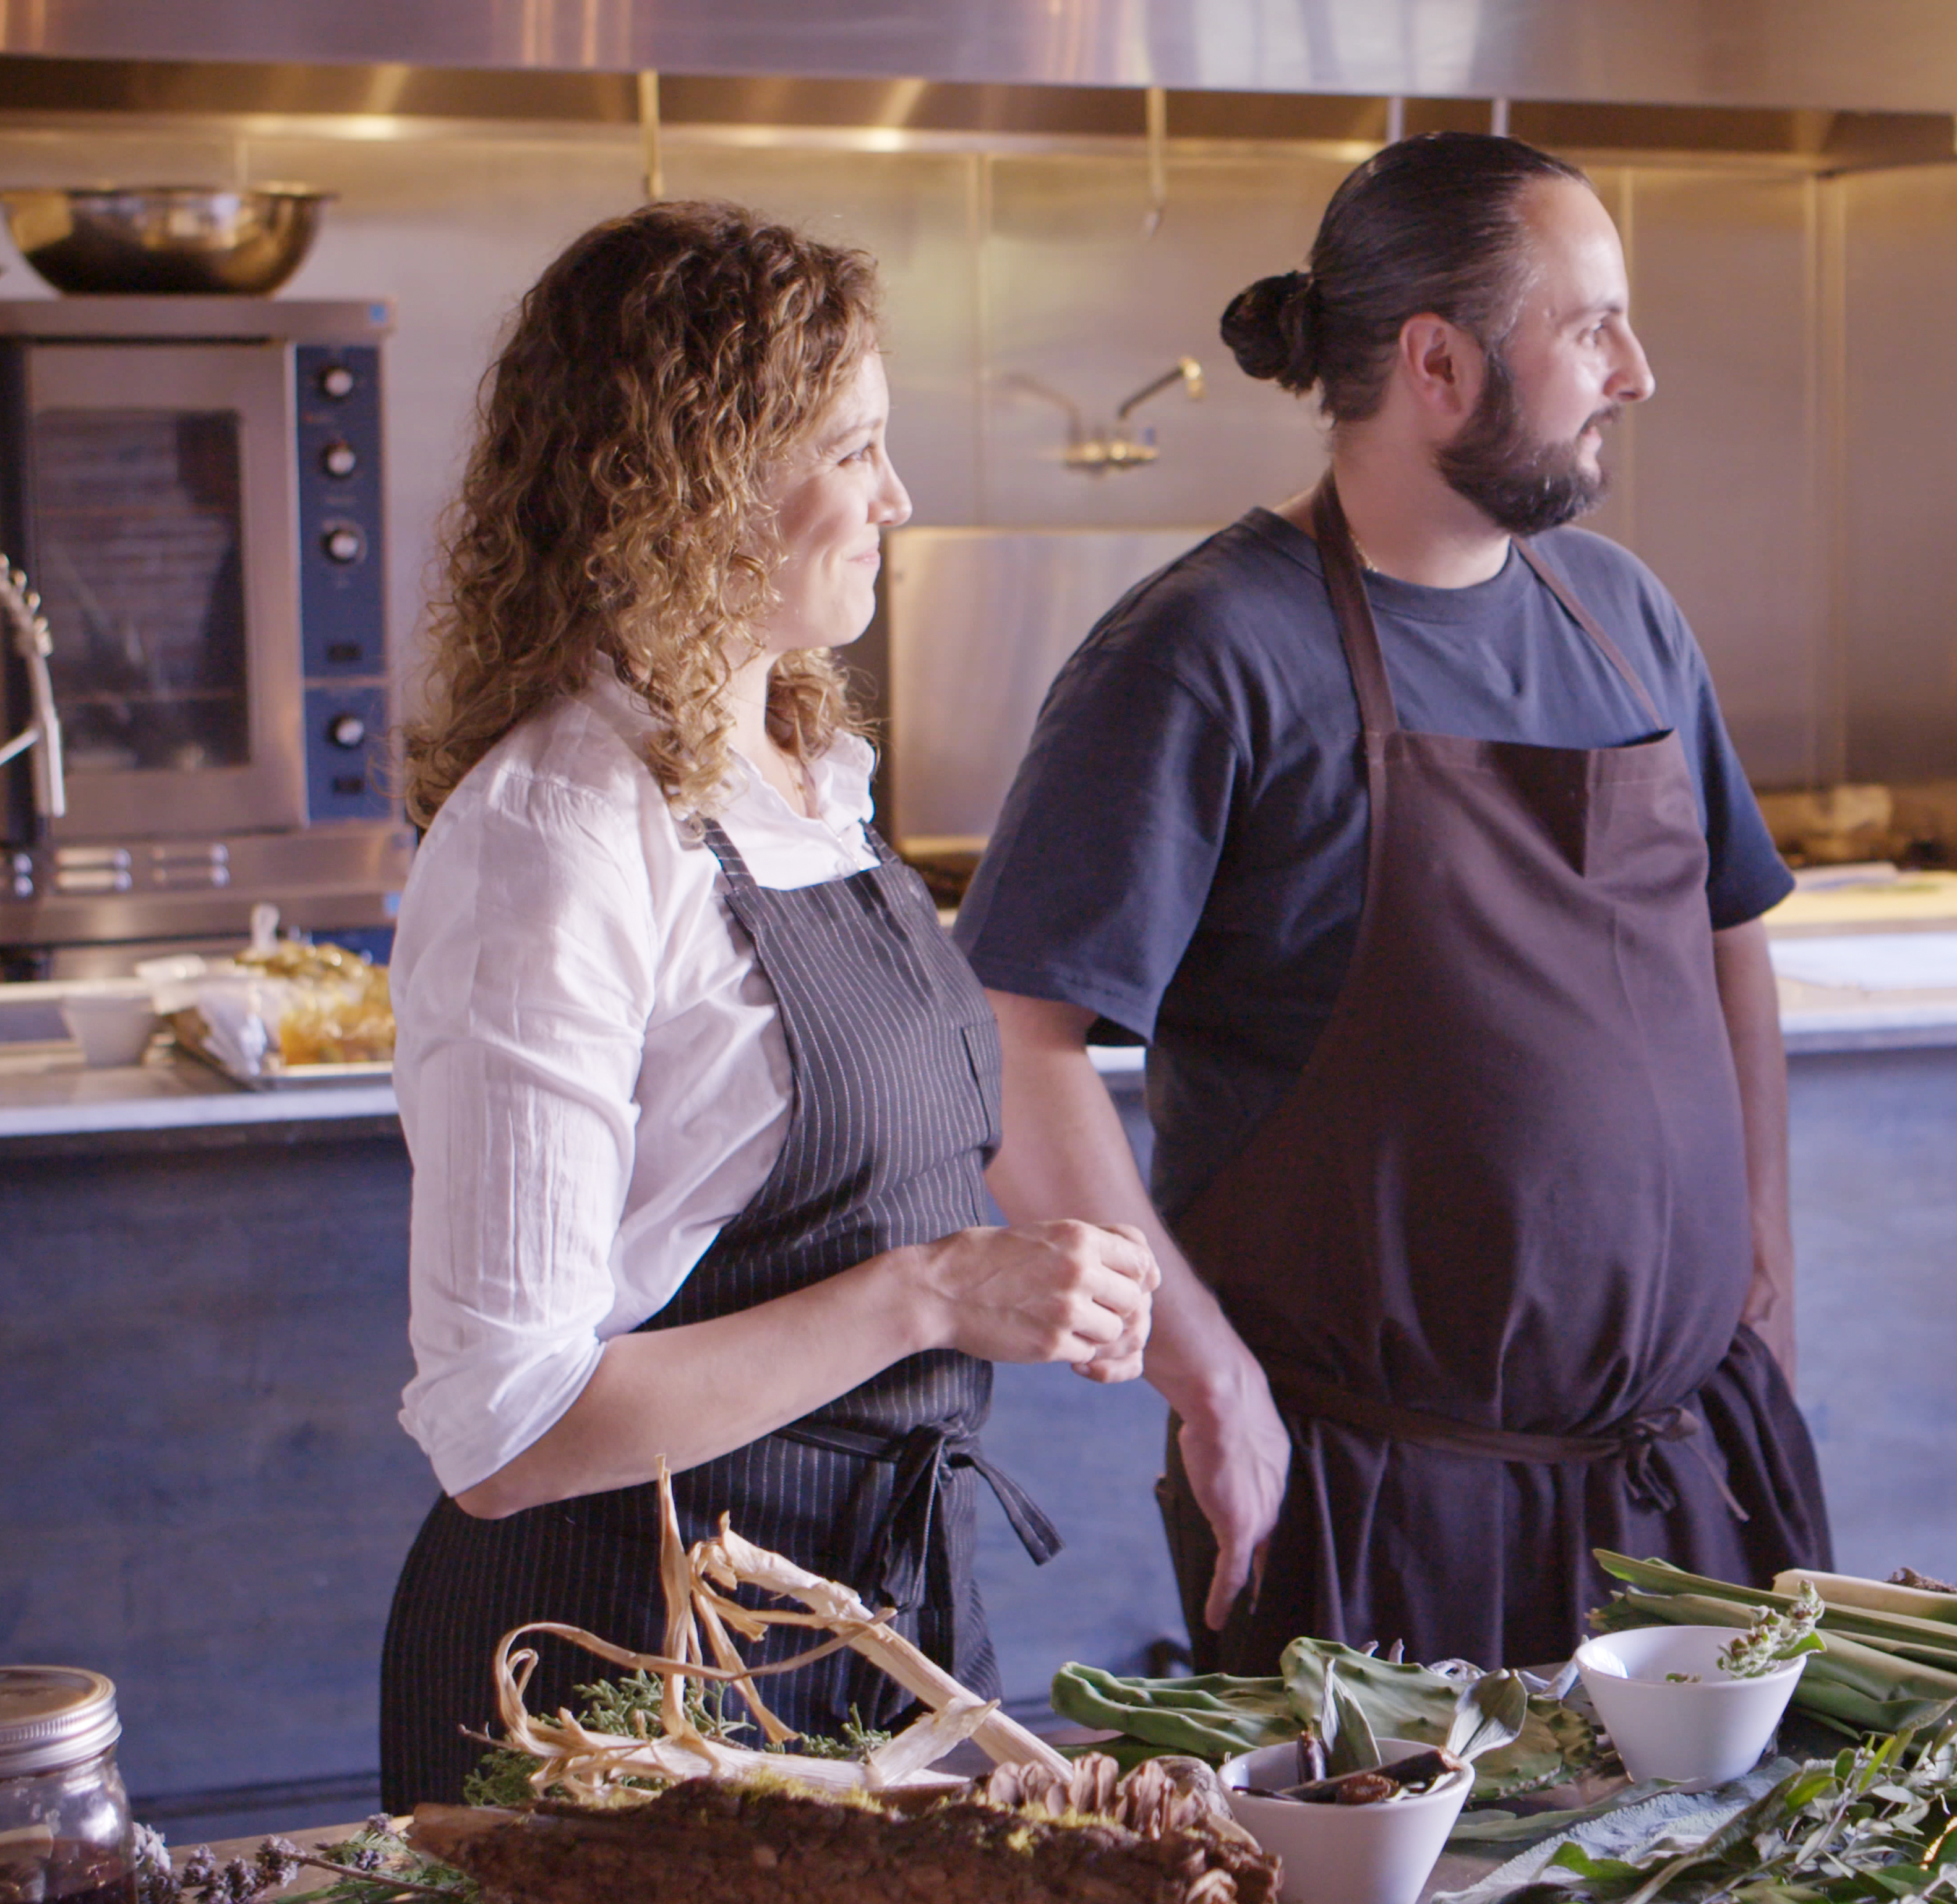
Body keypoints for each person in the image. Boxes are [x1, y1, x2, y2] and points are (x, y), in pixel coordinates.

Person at [961, 132, 1830, 1675]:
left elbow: (1728, 936)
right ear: (1436, 362)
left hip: (1689, 1468)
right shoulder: (1209, 651)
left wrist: (1760, 1245)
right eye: (1591, 325)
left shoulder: (1626, 617)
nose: (1636, 371)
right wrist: (1208, 1380)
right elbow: (1011, 1055)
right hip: (1382, 1504)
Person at [377, 202, 1158, 1806]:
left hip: (862, 1634)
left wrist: (1037, 1275)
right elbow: (507, 1431)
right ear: (700, 483)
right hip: (621, 1680)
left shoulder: (812, 780)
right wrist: (932, 1293)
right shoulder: (557, 834)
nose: (897, 496)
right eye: (855, 447)